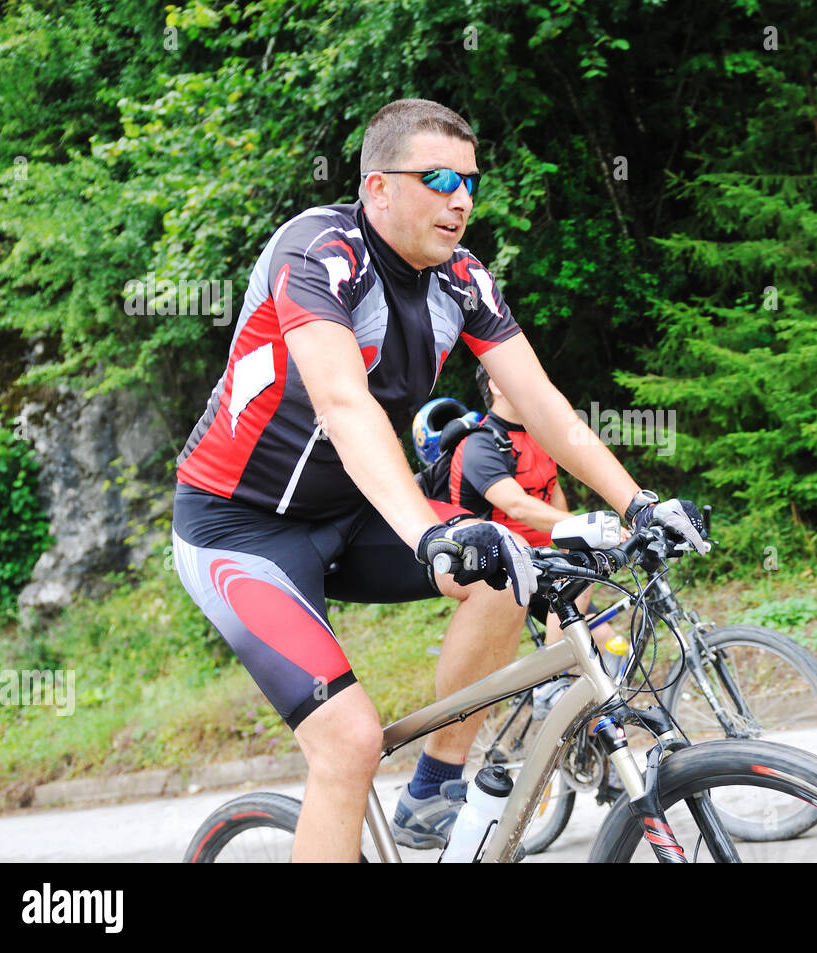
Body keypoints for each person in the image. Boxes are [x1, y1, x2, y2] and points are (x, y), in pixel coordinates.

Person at [170, 98, 707, 862]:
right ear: (379, 188)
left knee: (512, 560)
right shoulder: (318, 252)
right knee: (349, 742)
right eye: (441, 177)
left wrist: (640, 503)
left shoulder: (463, 281)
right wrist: (431, 532)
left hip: (353, 509)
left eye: (471, 182)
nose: (461, 198)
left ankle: (435, 783)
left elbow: (549, 409)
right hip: (240, 527)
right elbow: (343, 405)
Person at [417, 364, 624, 717]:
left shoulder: (537, 436)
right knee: (576, 578)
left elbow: (553, 493)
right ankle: (548, 683)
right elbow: (515, 504)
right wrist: (589, 525)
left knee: (610, 649)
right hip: (498, 567)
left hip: (542, 560)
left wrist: (574, 537)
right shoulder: (480, 443)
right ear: (496, 384)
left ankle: (595, 750)